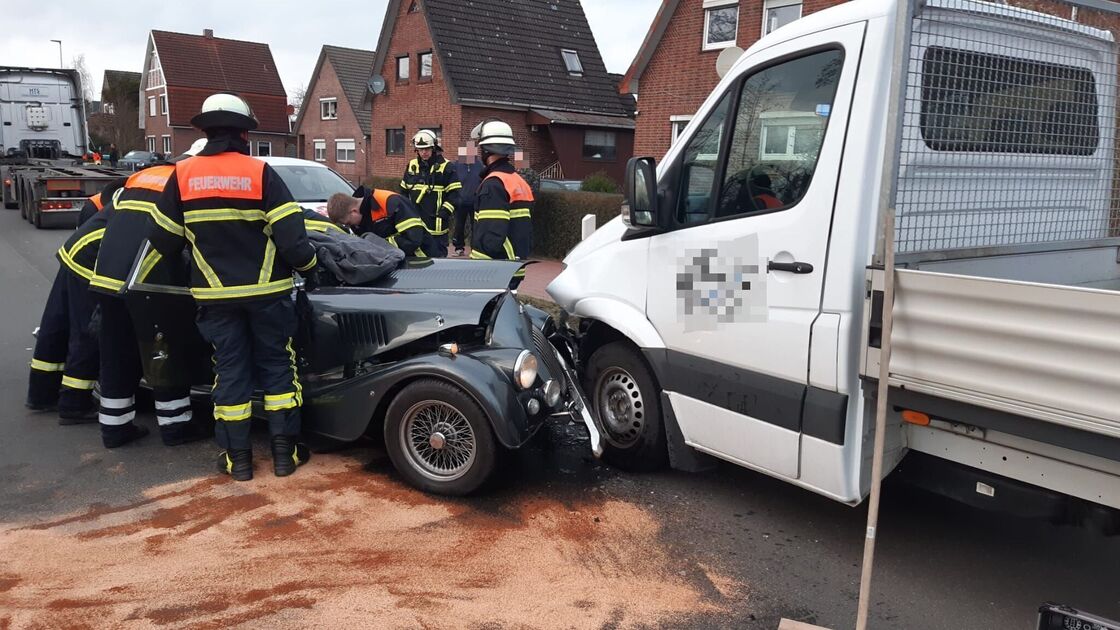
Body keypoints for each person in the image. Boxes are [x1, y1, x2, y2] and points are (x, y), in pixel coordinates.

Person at [150, 93, 318, 482]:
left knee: (230, 374)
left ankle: (238, 461)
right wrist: (310, 267)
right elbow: (293, 242)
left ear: (205, 131)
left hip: (215, 298)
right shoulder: (260, 173)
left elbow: (162, 241)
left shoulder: (182, 175)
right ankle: (284, 455)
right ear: (245, 132)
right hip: (268, 295)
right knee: (277, 368)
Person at [88, 138, 211, 449]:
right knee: (164, 351)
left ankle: (115, 430)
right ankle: (176, 427)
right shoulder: (186, 182)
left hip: (107, 274)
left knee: (117, 352)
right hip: (148, 279)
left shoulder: (143, 176)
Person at [26, 178, 124, 422]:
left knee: (56, 325)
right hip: (91, 263)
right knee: (89, 331)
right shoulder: (170, 189)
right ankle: (74, 405)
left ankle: (42, 394)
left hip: (76, 252)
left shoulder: (145, 183)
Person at [469, 119, 533, 260]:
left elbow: (490, 236)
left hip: (493, 270)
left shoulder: (493, 184)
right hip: (514, 264)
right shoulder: (518, 180)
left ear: (485, 150)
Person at [326, 186, 440, 258]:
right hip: (398, 261)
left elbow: (413, 239)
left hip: (423, 259)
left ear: (354, 211)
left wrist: (377, 244)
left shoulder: (390, 203)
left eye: (348, 223)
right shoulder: (361, 215)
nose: (351, 226)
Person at [400, 130, 460, 256]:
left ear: (433, 148)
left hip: (436, 227)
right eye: (420, 150)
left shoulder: (446, 167)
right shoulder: (412, 166)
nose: (424, 152)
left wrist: (443, 213)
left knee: (437, 263)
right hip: (415, 224)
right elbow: (403, 192)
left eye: (427, 149)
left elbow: (455, 195)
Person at [451, 143, 483, 257]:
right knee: (459, 225)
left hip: (475, 202)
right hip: (460, 202)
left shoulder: (480, 165)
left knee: (476, 226)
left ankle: (475, 248)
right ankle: (459, 247)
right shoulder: (457, 165)